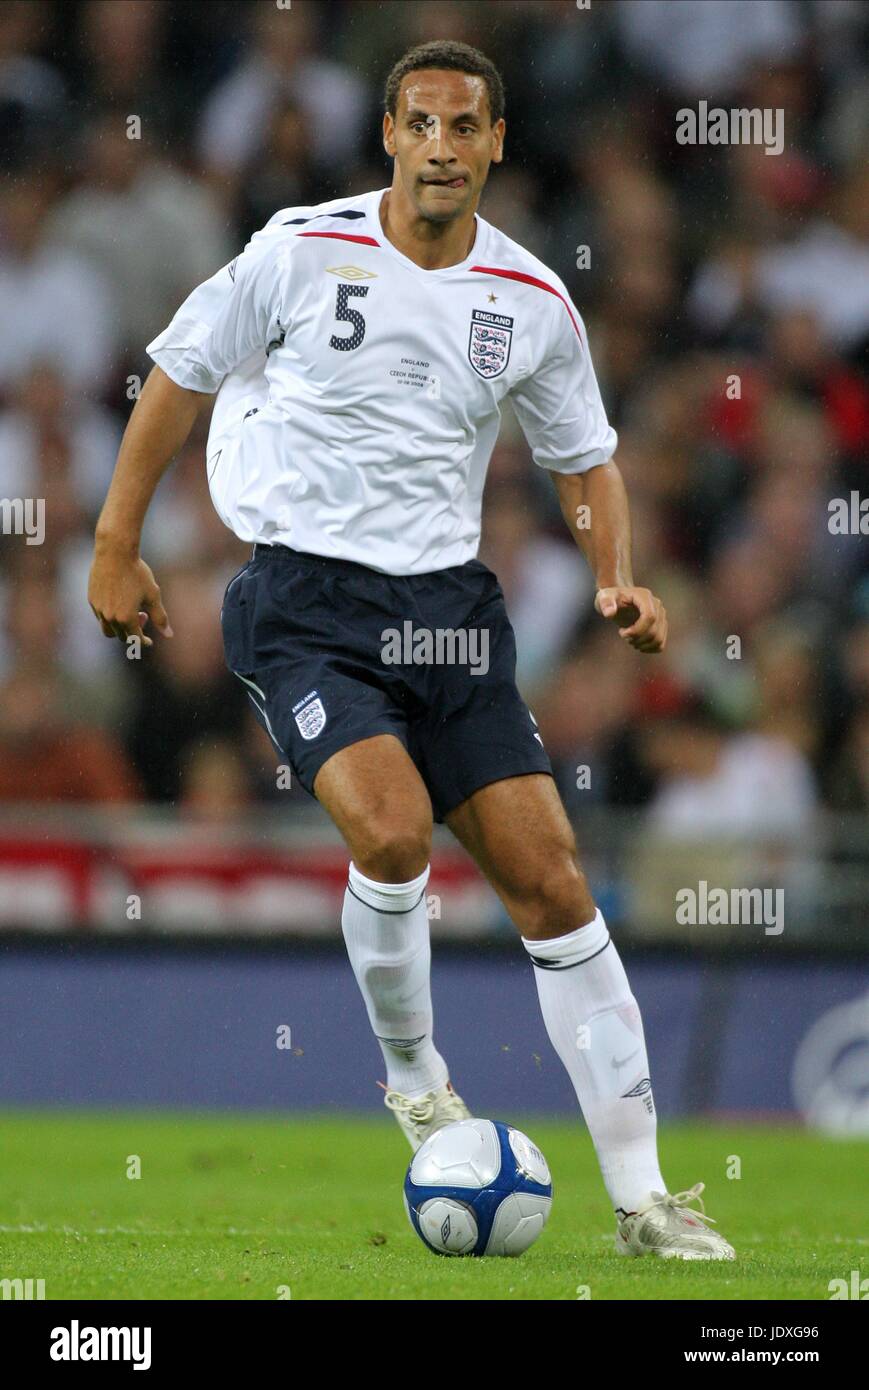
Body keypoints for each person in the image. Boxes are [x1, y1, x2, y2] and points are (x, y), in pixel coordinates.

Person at [88, 40, 732, 1260]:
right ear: (387, 134)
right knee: (389, 833)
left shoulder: (531, 299)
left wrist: (613, 575)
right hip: (303, 601)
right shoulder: (297, 247)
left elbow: (581, 454)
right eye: (420, 122)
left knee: (552, 885)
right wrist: (116, 546)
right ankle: (417, 1080)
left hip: (449, 612)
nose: (441, 144)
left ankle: (646, 1205)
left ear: (494, 146)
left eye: (464, 126)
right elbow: (175, 375)